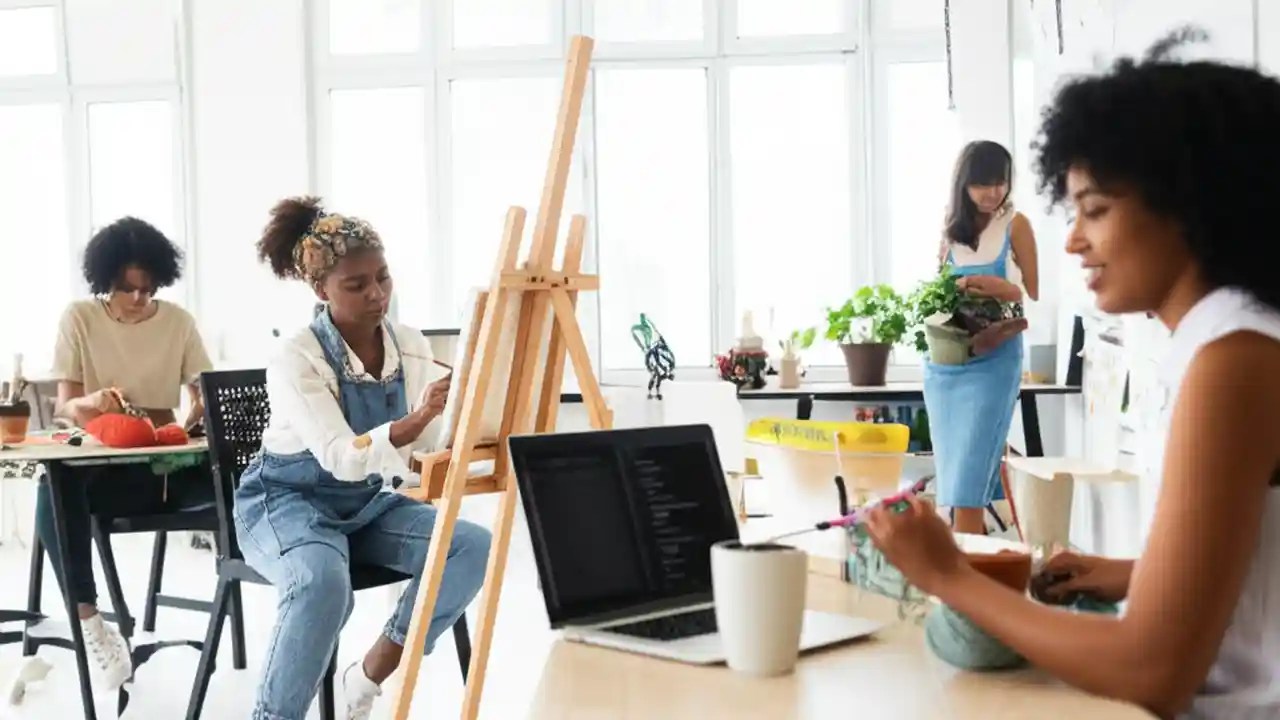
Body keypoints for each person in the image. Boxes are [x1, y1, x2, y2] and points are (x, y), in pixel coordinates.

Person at [866, 30, 1280, 720]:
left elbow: (1150, 671)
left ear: (1188, 206)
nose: (1073, 239)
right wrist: (1131, 575)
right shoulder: (1227, 338)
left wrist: (945, 575)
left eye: (1095, 210)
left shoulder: (1234, 358)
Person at [239, 196, 491, 720]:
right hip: (285, 502)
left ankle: (369, 675)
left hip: (365, 503)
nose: (376, 295)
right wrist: (415, 420)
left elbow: (420, 452)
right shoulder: (296, 358)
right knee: (320, 582)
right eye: (357, 285)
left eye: (383, 278)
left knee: (467, 545)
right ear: (320, 289)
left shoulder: (409, 344)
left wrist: (469, 415)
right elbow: (338, 456)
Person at [42, 216, 215, 690]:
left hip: (162, 470)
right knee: (54, 488)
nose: (139, 299)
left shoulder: (178, 323)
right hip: (103, 466)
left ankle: (269, 589)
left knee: (242, 473)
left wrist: (199, 408)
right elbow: (64, 410)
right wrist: (89, 405)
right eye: (127, 289)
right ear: (105, 282)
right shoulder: (79, 318)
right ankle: (90, 620)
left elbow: (204, 390)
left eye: (148, 288)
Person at [924, 140, 1039, 534]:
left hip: (996, 359)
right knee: (955, 468)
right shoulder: (949, 230)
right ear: (963, 185)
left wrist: (996, 286)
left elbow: (1032, 294)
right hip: (948, 362)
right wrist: (956, 287)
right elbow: (935, 294)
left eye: (1001, 182)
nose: (993, 192)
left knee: (970, 472)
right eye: (982, 184)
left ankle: (964, 571)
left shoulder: (1015, 225)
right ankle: (974, 553)